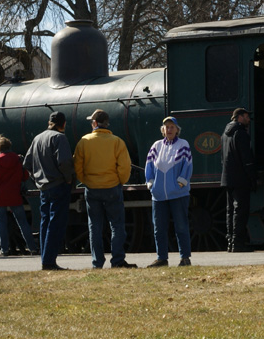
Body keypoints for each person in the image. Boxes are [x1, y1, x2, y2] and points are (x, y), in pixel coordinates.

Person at [73, 108, 137, 269]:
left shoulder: (84, 141)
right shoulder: (117, 142)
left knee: (94, 226)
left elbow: (78, 167)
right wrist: (119, 182)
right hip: (112, 187)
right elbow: (124, 167)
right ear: (107, 124)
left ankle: (97, 262)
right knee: (117, 225)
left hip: (92, 188)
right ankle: (117, 260)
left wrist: (86, 180)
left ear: (94, 123)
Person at [24, 111, 76, 271]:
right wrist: (68, 178)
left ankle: (45, 258)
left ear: (49, 122)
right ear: (64, 124)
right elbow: (65, 161)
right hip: (58, 185)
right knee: (56, 223)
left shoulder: (37, 138)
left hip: (44, 187)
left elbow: (27, 163)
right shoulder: (59, 138)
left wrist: (37, 179)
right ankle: (49, 261)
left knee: (45, 222)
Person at [145, 116, 194, 267]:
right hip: (158, 196)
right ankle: (161, 258)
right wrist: (151, 183)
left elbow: (187, 165)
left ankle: (185, 258)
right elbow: (149, 165)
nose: (169, 129)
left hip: (178, 194)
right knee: (159, 228)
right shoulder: (156, 146)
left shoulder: (183, 145)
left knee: (181, 226)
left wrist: (181, 183)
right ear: (163, 130)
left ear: (177, 129)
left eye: (172, 127)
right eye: (167, 127)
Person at [0, 135, 39, 257]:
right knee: (23, 222)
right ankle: (32, 248)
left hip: (0, 196)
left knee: (2, 223)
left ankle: (4, 250)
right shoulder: (18, 160)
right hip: (15, 195)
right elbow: (25, 176)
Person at [221, 107, 256, 253]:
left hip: (228, 177)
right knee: (240, 211)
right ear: (240, 117)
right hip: (240, 177)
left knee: (230, 211)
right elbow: (246, 159)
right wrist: (252, 177)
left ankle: (230, 243)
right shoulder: (241, 134)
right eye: (247, 116)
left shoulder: (225, 133)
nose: (249, 120)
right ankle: (238, 243)